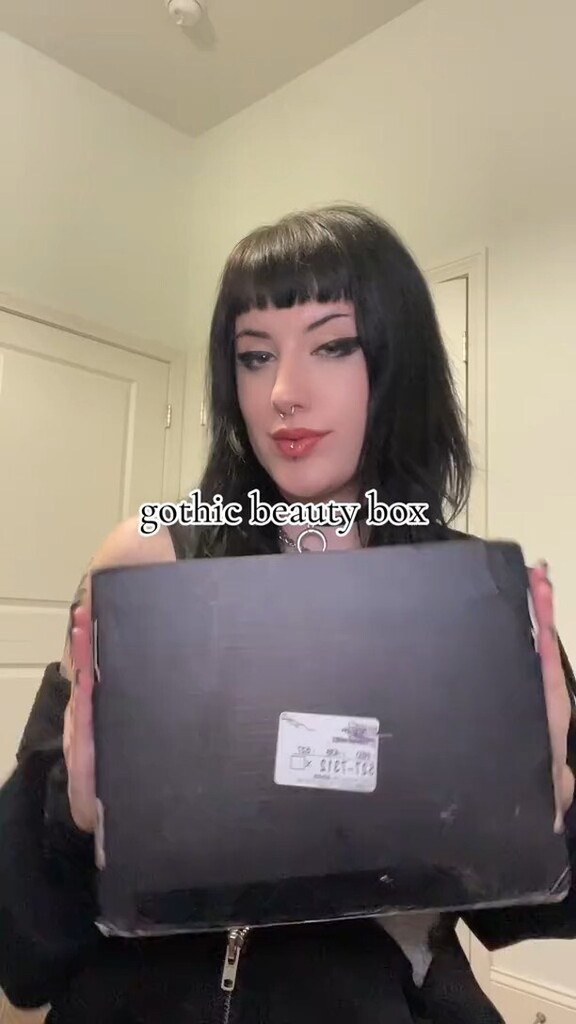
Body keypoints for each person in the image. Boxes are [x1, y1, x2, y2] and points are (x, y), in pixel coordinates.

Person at [1, 203, 575, 1024]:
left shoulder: (475, 604)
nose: (282, 393)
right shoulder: (148, 566)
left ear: (398, 359)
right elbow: (23, 950)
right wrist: (75, 821)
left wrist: (553, 809)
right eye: (254, 355)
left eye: (332, 345)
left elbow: (530, 910)